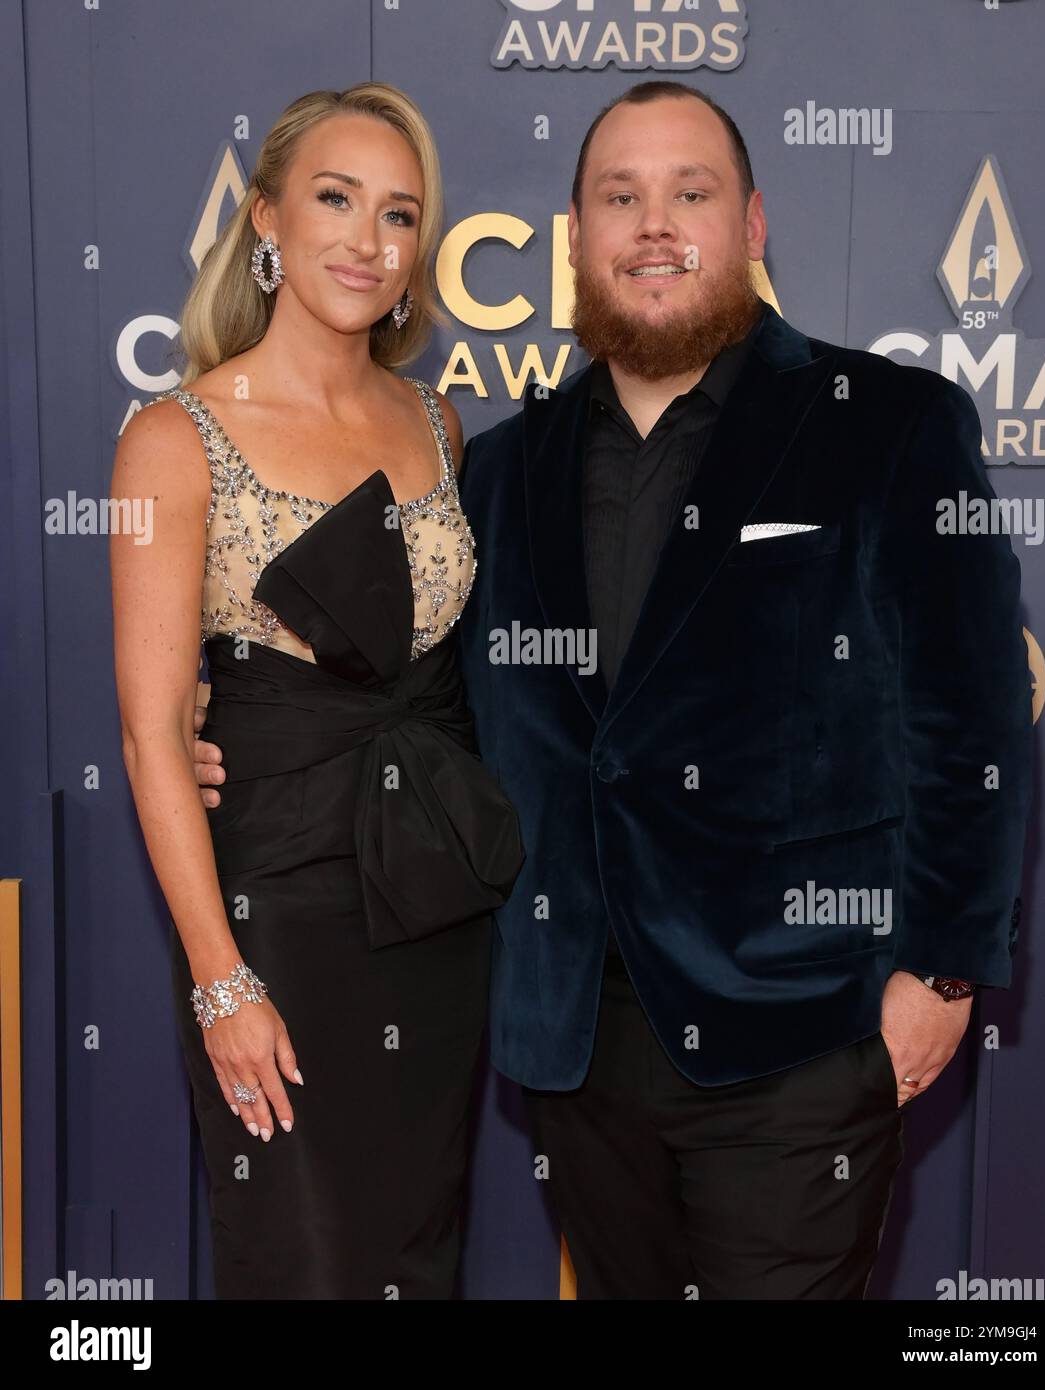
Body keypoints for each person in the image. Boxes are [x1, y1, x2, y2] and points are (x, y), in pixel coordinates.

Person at [193, 80, 1034, 1300]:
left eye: (689, 194)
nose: (653, 225)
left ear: (750, 224)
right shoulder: (497, 470)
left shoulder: (885, 423)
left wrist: (947, 968)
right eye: (619, 197)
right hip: (573, 1044)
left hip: (801, 1033)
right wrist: (233, 728)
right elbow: (426, 706)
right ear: (575, 238)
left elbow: (971, 720)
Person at [110, 82, 522, 1300]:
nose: (365, 238)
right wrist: (221, 982)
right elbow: (148, 733)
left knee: (414, 1256)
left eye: (398, 215)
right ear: (266, 221)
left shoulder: (438, 423)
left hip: (434, 913)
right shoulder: (172, 437)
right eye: (335, 199)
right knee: (304, 1260)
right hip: (277, 917)